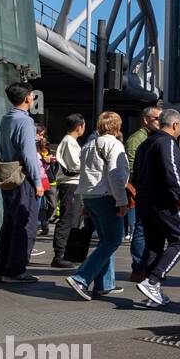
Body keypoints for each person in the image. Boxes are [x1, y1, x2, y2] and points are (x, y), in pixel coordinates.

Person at [62, 112, 130, 300]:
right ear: (117, 126)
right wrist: (122, 201)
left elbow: (84, 175)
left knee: (105, 240)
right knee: (113, 240)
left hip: (89, 196)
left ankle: (104, 284)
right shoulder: (114, 144)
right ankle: (81, 277)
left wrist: (84, 202)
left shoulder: (88, 145)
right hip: (106, 197)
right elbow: (116, 176)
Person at [130, 109, 180, 306]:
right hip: (164, 201)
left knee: (154, 245)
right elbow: (171, 170)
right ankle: (153, 280)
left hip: (146, 201)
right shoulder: (167, 142)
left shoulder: (146, 143)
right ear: (175, 125)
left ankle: (152, 290)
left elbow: (136, 173)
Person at [0, 83, 44, 283]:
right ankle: (15, 271)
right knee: (25, 225)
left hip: (8, 175)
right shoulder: (26, 122)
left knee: (9, 223)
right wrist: (38, 182)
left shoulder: (7, 119)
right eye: (31, 95)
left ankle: (1, 268)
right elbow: (29, 155)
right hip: (23, 177)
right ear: (28, 98)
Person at [124, 105, 162, 259]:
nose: (160, 122)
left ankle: (146, 261)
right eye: (157, 119)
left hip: (149, 189)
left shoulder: (153, 136)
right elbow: (132, 167)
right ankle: (138, 264)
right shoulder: (137, 139)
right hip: (141, 189)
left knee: (148, 227)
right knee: (140, 227)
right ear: (146, 120)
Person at [51, 114, 86, 268]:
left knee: (73, 219)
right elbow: (75, 166)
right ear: (79, 126)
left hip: (73, 184)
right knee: (67, 218)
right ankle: (60, 255)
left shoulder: (70, 141)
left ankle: (67, 254)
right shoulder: (69, 142)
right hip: (70, 184)